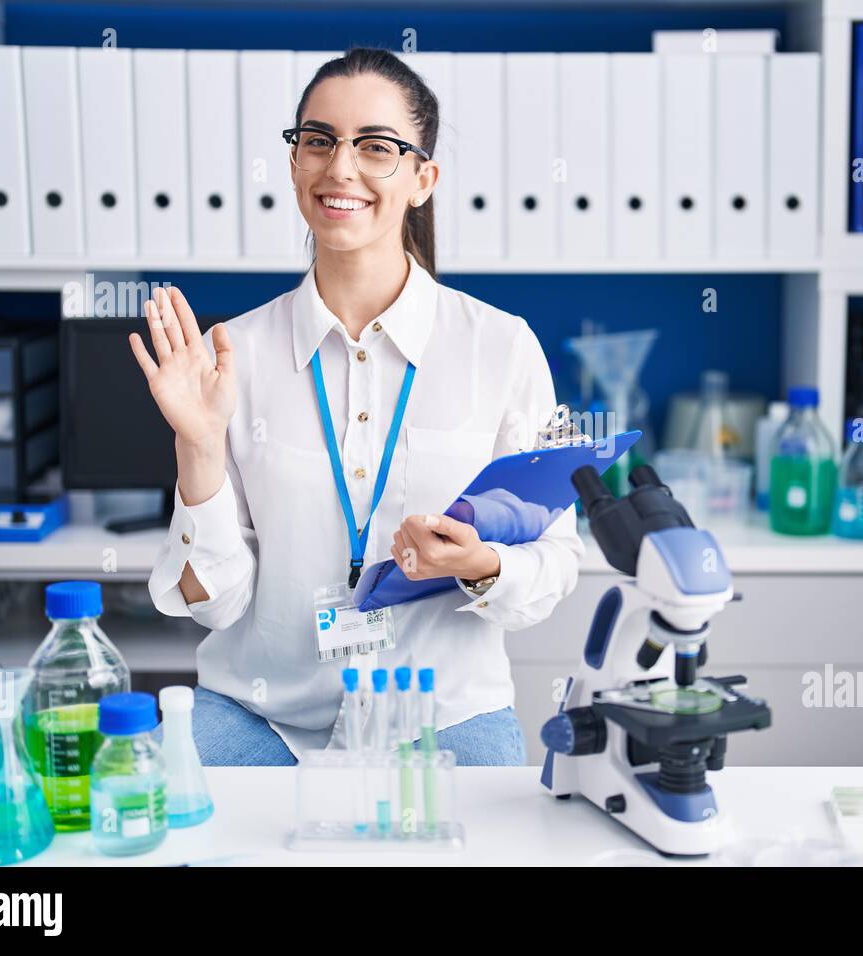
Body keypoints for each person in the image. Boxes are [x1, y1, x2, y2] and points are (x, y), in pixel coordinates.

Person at [129, 47, 582, 766]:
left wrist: (483, 563)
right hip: (260, 715)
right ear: (295, 163)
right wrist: (198, 447)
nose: (341, 167)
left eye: (376, 147)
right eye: (320, 141)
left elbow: (555, 559)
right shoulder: (230, 353)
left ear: (422, 179)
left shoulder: (502, 347)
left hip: (444, 712)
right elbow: (214, 604)